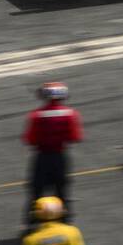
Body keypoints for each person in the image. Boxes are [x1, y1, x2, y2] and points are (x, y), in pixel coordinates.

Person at [23, 82, 83, 226]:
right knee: (62, 190)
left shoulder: (36, 115)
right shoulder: (71, 114)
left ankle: (32, 221)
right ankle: (66, 220)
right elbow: (76, 137)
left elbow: (30, 139)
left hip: (42, 156)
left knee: (36, 191)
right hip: (60, 156)